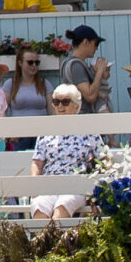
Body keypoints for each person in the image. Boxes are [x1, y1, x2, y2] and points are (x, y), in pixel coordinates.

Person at [29, 84, 101, 219]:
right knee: (39, 207)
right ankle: (44, 240)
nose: (60, 106)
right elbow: (37, 163)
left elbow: (104, 158)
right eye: (56, 102)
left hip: (75, 186)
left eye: (65, 102)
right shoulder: (47, 131)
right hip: (49, 185)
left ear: (76, 106)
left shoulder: (89, 131)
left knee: (62, 207)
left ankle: (55, 239)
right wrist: (35, 186)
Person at [2, 47, 51, 150]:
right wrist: (8, 132)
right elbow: (2, 111)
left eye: (36, 62)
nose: (34, 65)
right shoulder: (10, 84)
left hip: (42, 135)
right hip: (19, 136)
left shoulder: (44, 84)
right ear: (20, 63)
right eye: (30, 62)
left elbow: (52, 111)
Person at [60, 25, 113, 116]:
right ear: (85, 42)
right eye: (96, 44)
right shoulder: (76, 65)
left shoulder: (70, 63)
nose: (96, 48)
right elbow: (90, 96)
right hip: (82, 118)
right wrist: (100, 72)